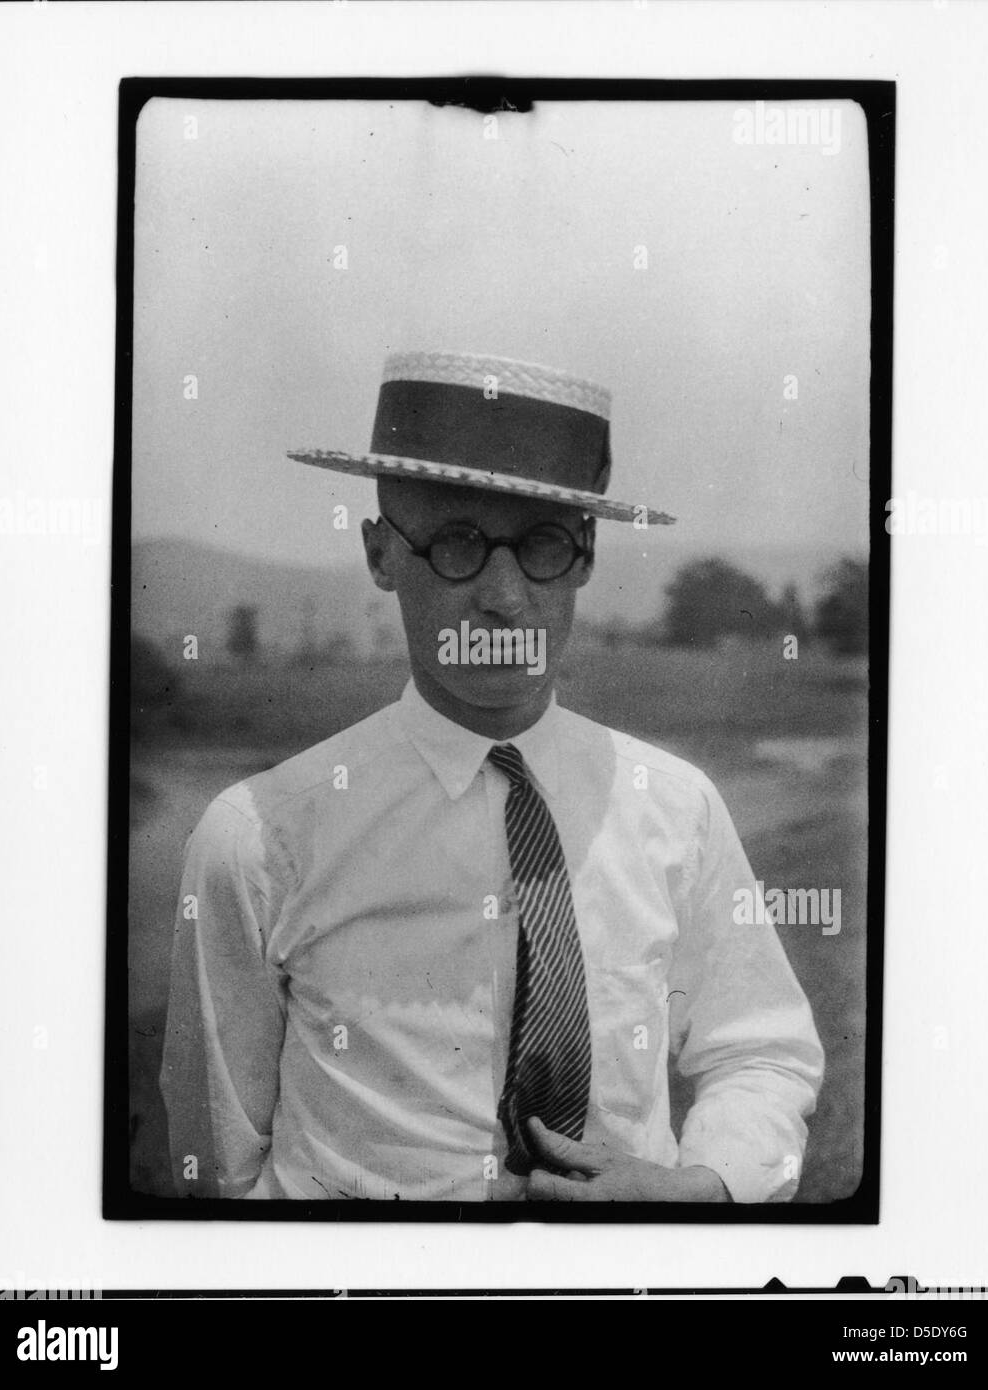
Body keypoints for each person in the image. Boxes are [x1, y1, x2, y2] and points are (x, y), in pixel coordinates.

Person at [159, 350, 824, 1203]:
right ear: (379, 554)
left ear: (586, 558)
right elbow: (215, 1171)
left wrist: (706, 1187)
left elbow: (760, 1050)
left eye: (544, 543)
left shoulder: (678, 809)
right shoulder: (260, 837)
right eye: (457, 544)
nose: (505, 599)